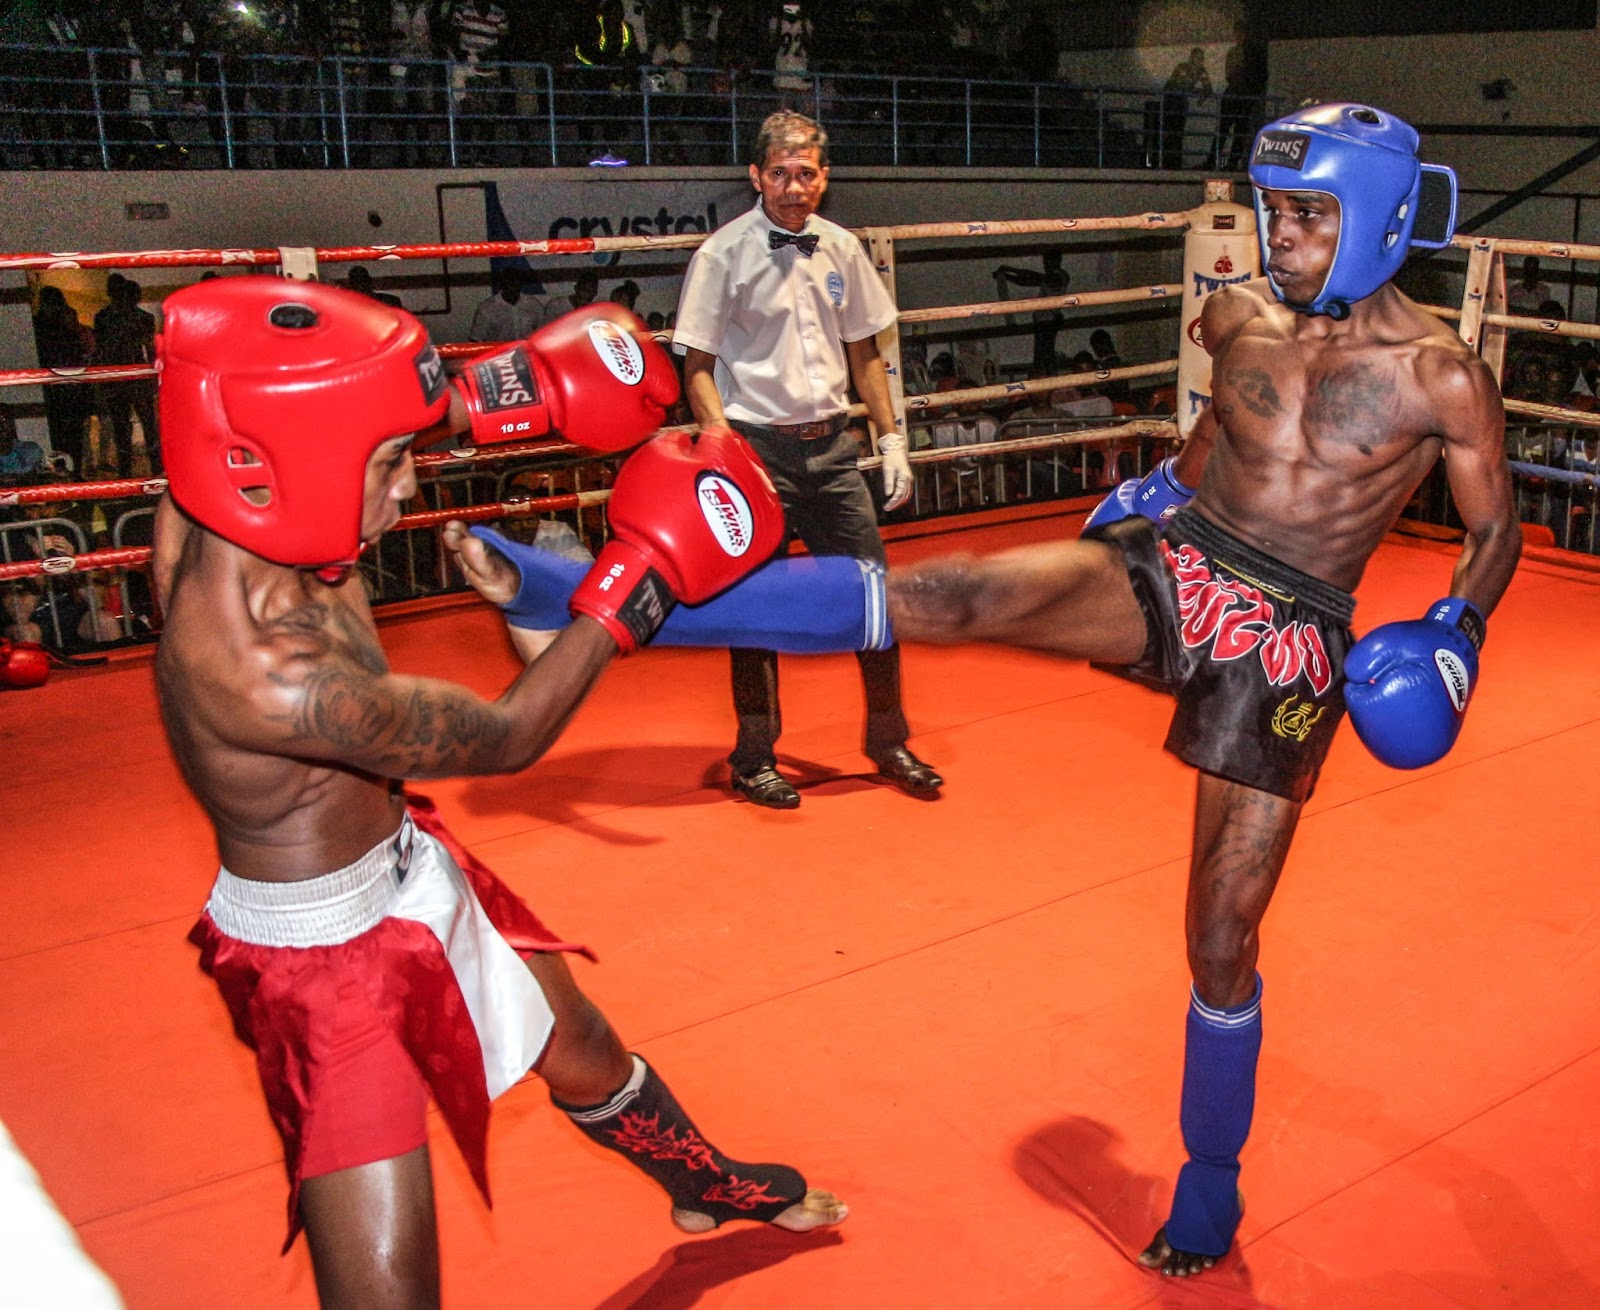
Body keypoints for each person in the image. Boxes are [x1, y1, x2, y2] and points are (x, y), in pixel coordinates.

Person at [470, 102, 1521, 1278]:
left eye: (1310, 218)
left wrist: (1454, 630)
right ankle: (599, 599)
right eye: (1274, 212)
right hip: (1185, 564)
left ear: (1376, 221)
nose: (1278, 239)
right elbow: (1207, 440)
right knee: (959, 593)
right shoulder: (1243, 324)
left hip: (1290, 635)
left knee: (1219, 937)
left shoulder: (1439, 376)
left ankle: (1208, 1181)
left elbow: (1494, 527)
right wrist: (1149, 498)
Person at [152, 277, 844, 1308]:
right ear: (291, 470)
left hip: (410, 862)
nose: (408, 487)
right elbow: (510, 734)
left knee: (586, 1045)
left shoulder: (234, 499)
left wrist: (514, 388)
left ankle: (699, 1182)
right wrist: (631, 582)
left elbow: (341, 421)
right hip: (323, 971)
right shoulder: (268, 673)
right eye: (388, 465)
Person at [672, 108, 940, 808]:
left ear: (824, 178)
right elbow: (696, 366)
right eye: (782, 173)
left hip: (832, 449)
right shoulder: (722, 256)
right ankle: (754, 756)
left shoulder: (843, 249)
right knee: (753, 611)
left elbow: (866, 354)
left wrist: (891, 440)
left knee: (874, 602)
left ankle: (888, 741)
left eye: (808, 173)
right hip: (754, 450)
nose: (795, 187)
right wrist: (721, 447)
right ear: (757, 175)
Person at [93, 274, 160, 476]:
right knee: (132, 426)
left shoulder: (107, 317)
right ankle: (143, 469)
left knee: (135, 425)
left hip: (127, 377)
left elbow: (149, 348)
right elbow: (102, 350)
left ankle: (135, 470)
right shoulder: (138, 318)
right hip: (126, 377)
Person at [468, 267, 543, 341]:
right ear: (502, 285)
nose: (512, 286)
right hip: (499, 352)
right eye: (508, 283)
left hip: (526, 351)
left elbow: (544, 334)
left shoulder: (533, 305)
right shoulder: (487, 308)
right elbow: (476, 339)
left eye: (515, 283)